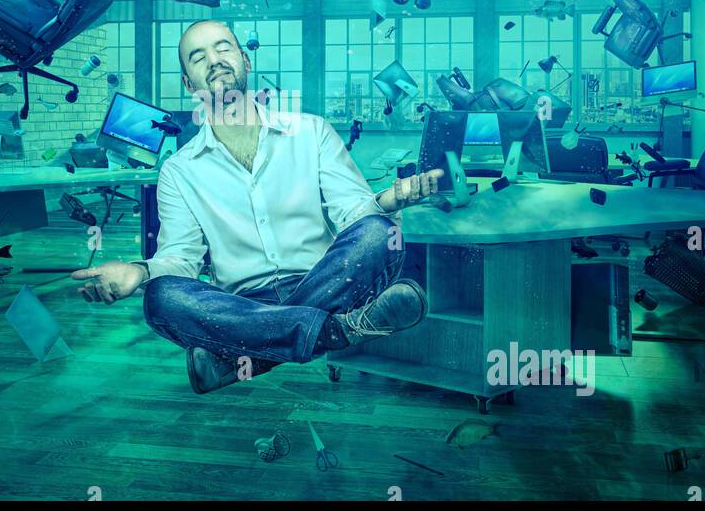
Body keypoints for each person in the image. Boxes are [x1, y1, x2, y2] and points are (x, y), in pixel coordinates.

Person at [72, 19, 442, 393]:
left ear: (245, 61)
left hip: (324, 279)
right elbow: (180, 259)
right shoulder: (178, 171)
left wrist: (389, 199)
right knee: (160, 297)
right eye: (197, 57)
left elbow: (352, 213)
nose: (213, 61)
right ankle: (337, 330)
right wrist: (139, 271)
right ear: (189, 84)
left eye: (222, 48)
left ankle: (238, 357)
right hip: (241, 304)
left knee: (381, 232)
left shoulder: (312, 131)